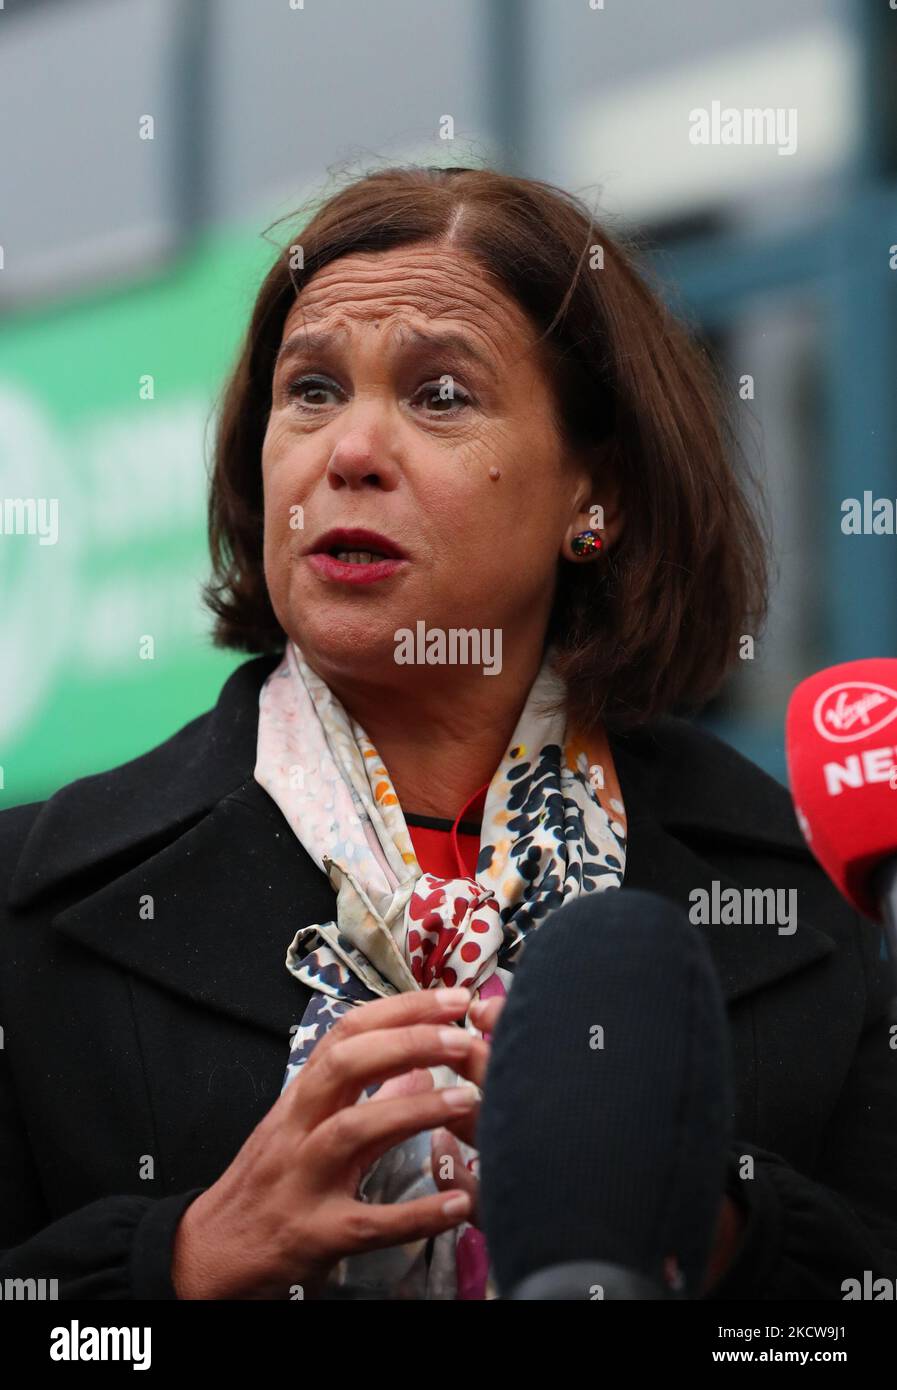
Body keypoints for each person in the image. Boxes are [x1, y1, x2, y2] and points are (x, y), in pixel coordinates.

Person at [1, 165, 895, 1300]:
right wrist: (179, 1264)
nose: (350, 451)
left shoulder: (805, 891)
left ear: (594, 495)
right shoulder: (36, 902)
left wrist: (715, 1237)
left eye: (438, 396)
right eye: (311, 389)